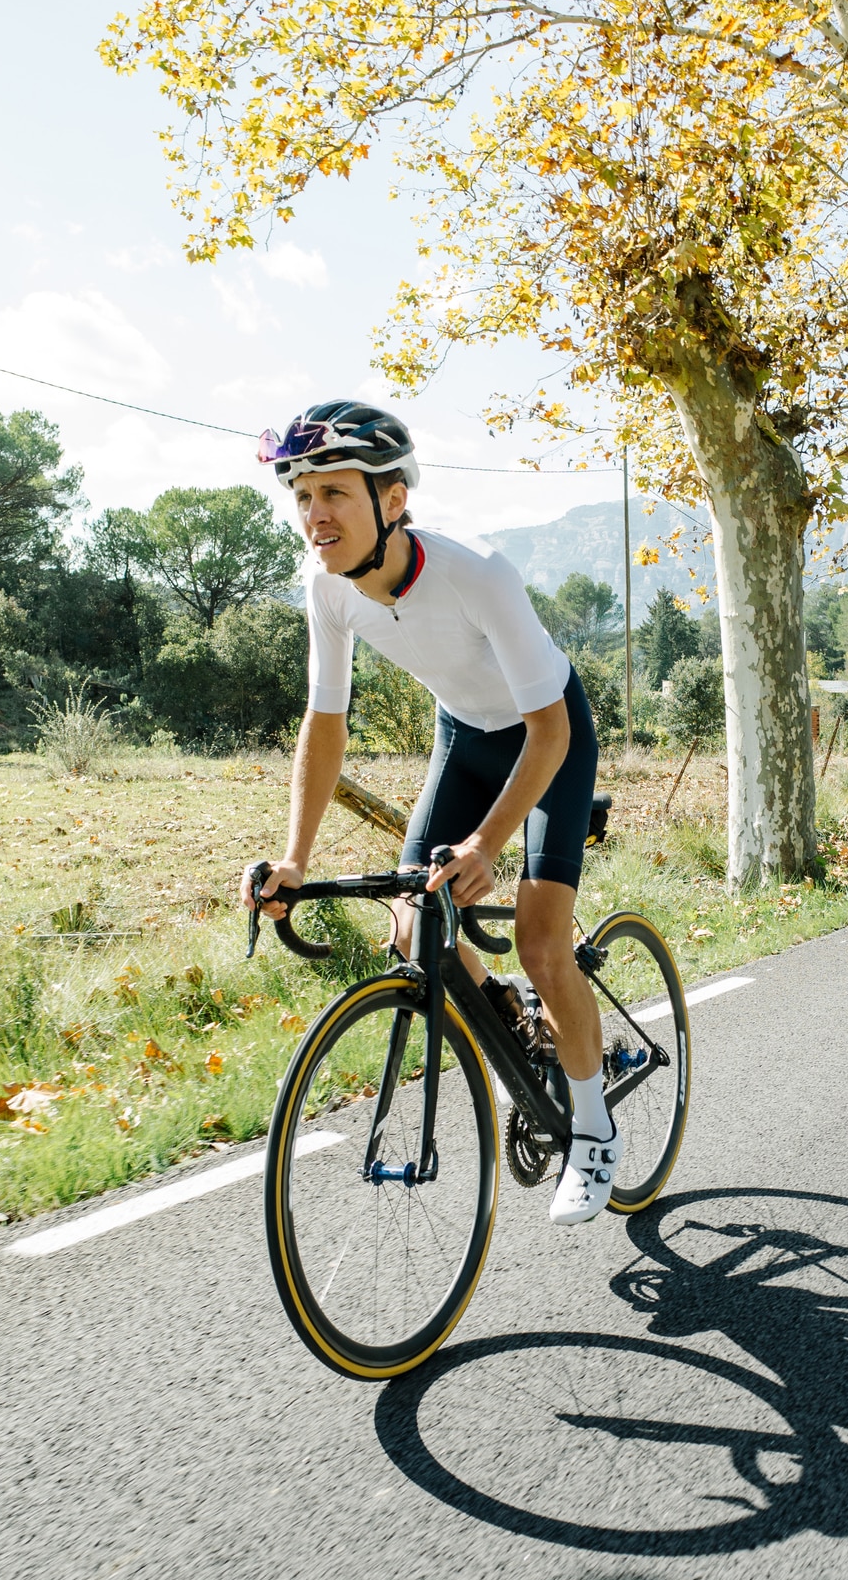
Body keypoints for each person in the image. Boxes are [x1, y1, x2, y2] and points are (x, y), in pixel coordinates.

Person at [240, 400, 621, 1223]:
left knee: (540, 941)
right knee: (413, 927)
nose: (314, 514)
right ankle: (515, 1023)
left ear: (392, 500)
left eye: (334, 492)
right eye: (302, 496)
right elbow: (325, 723)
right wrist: (295, 857)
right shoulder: (327, 587)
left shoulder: (476, 572)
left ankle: (593, 1132)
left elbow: (549, 730)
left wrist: (486, 844)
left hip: (547, 734)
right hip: (465, 737)